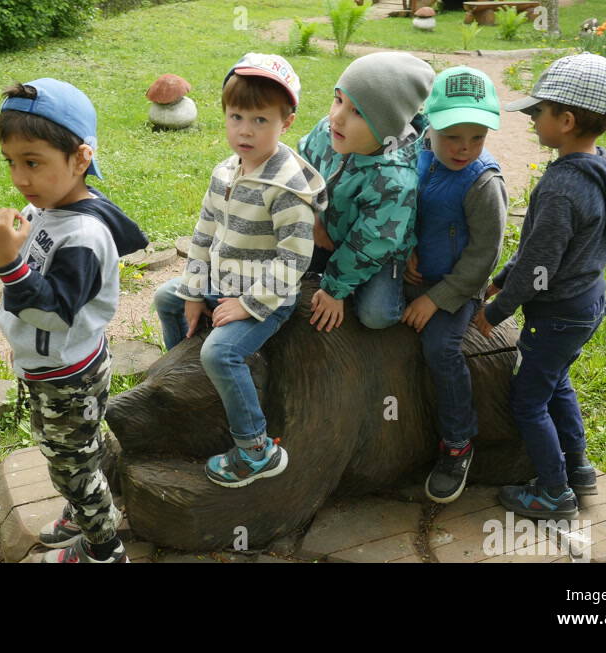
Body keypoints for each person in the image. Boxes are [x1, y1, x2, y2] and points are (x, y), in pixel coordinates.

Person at [0, 78, 148, 562]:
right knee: (78, 451)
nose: (19, 177)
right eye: (11, 162)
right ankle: (83, 512)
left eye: (33, 162)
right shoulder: (47, 209)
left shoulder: (82, 234)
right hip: (63, 365)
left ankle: (103, 548)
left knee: (70, 467)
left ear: (80, 158)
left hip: (66, 371)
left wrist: (7, 260)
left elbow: (51, 312)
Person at [473, 54, 606, 520]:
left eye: (537, 112)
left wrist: (497, 310)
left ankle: (553, 493)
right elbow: (542, 254)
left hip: (557, 314)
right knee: (556, 382)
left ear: (565, 120)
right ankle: (579, 470)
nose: (531, 120)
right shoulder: (600, 164)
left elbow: (540, 265)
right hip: (585, 305)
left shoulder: (562, 187)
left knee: (527, 401)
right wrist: (502, 277)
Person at [152, 53, 326, 487]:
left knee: (222, 352)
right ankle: (188, 383)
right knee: (167, 298)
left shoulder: (287, 186)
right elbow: (203, 234)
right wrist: (195, 291)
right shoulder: (225, 171)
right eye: (236, 116)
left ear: (286, 122)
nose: (245, 130)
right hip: (220, 281)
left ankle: (256, 448)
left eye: (260, 120)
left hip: (267, 296)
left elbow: (294, 259)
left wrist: (249, 305)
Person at [399, 66, 508, 504]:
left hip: (456, 287)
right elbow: (404, 203)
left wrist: (438, 298)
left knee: (440, 350)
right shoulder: (418, 151)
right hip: (409, 271)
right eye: (452, 137)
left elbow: (485, 255)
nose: (464, 148)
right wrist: (406, 243)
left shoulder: (483, 183)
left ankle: (458, 443)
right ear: (430, 124)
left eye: (477, 137)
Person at [297, 52, 435, 332]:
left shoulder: (393, 178)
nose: (336, 117)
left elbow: (372, 241)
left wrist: (335, 289)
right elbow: (300, 170)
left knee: (377, 315)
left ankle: (403, 289)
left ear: (386, 125)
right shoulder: (327, 131)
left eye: (357, 112)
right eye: (338, 99)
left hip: (377, 250)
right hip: (326, 230)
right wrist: (313, 218)